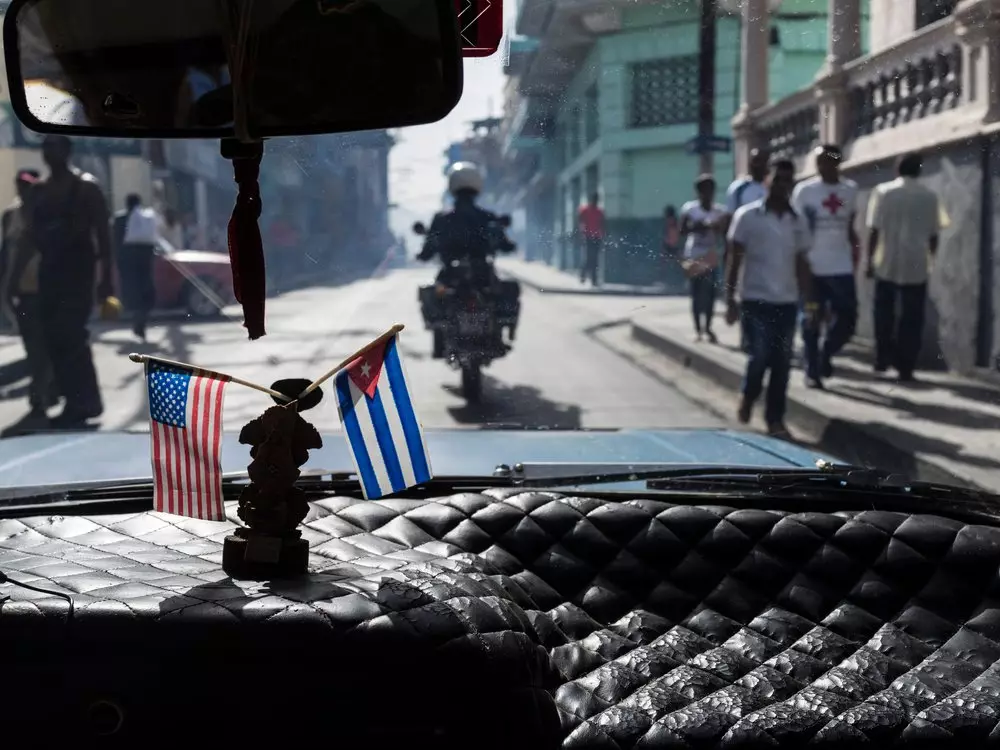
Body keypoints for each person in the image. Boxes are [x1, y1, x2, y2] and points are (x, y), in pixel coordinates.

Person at [725, 159, 815, 438]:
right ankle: (749, 395)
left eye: (787, 180)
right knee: (760, 356)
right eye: (776, 179)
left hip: (786, 302)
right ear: (767, 181)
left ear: (792, 184)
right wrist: (729, 299)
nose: (781, 185)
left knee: (782, 362)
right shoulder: (747, 216)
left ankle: (775, 420)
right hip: (754, 299)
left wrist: (810, 303)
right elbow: (734, 259)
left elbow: (802, 264)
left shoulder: (798, 221)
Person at [29, 134, 114, 427]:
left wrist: (107, 281)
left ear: (67, 150)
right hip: (50, 272)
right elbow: (33, 234)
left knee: (71, 335)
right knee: (53, 338)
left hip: (78, 273)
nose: (48, 152)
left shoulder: (86, 187)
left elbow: (104, 236)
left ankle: (85, 402)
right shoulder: (40, 191)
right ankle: (71, 399)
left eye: (54, 146)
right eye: (45, 147)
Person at [417, 161, 515, 356]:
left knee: (432, 293)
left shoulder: (441, 218)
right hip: (482, 273)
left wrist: (423, 255)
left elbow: (428, 248)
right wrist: (506, 244)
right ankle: (504, 330)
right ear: (477, 185)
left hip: (451, 274)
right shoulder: (486, 216)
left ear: (452, 185)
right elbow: (505, 244)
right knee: (506, 292)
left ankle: (439, 332)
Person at [865, 152, 940, 382]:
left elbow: (874, 230)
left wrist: (869, 260)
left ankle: (882, 358)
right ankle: (906, 366)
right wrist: (931, 260)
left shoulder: (883, 192)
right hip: (916, 263)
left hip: (887, 260)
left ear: (898, 169)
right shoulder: (930, 196)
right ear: (919, 170)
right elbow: (934, 235)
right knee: (912, 317)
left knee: (883, 313)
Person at [792, 144, 860, 388]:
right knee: (811, 318)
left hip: (841, 269)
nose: (824, 165)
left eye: (829, 160)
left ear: (837, 162)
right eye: (820, 161)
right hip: (813, 271)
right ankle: (812, 370)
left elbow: (850, 226)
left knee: (848, 319)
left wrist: (855, 256)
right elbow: (796, 230)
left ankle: (825, 353)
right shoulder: (804, 191)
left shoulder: (850, 190)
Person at [0, 169, 57, 417]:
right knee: (33, 345)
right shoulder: (12, 215)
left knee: (47, 344)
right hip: (25, 288)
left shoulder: (48, 217)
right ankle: (41, 391)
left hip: (48, 287)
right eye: (21, 185)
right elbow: (8, 251)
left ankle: (45, 389)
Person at [679, 176, 726, 343]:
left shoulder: (719, 211)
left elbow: (725, 231)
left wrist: (718, 227)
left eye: (711, 190)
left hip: (711, 256)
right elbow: (682, 230)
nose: (708, 194)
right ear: (698, 192)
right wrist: (701, 226)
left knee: (711, 293)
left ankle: (708, 327)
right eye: (704, 190)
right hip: (693, 255)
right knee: (697, 293)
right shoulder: (690, 209)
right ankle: (698, 328)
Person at [113, 193, 159, 342]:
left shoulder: (120, 219)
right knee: (147, 292)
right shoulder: (146, 220)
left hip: (127, 260)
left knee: (133, 292)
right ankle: (140, 321)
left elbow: (115, 241)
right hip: (145, 259)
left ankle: (137, 320)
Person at [577, 193, 604, 286]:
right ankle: (584, 276)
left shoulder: (598, 211)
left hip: (595, 237)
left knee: (594, 259)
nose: (596, 201)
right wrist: (580, 232)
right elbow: (580, 220)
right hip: (589, 236)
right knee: (589, 258)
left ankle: (593, 279)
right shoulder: (586, 210)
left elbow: (602, 224)